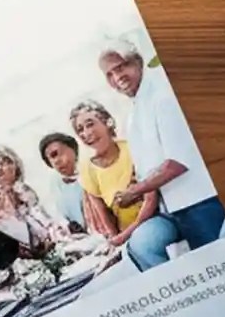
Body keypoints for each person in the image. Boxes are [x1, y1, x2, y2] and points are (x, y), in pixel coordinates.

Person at [98, 39, 225, 250]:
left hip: (199, 201)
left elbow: (178, 162)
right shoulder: (136, 108)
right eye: (109, 74)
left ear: (138, 62)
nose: (117, 77)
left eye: (121, 67)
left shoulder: (163, 96)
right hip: (176, 207)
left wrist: (136, 190)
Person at [69, 100, 180, 271]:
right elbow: (105, 216)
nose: (86, 133)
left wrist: (125, 236)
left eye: (90, 124)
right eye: (80, 130)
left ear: (107, 122)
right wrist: (116, 240)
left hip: (157, 219)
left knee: (143, 245)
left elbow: (151, 200)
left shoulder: (133, 148)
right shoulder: (87, 169)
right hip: (125, 233)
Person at [37, 132, 86, 232]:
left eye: (56, 154)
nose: (56, 161)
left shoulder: (91, 170)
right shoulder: (56, 184)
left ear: (73, 149)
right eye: (50, 158)